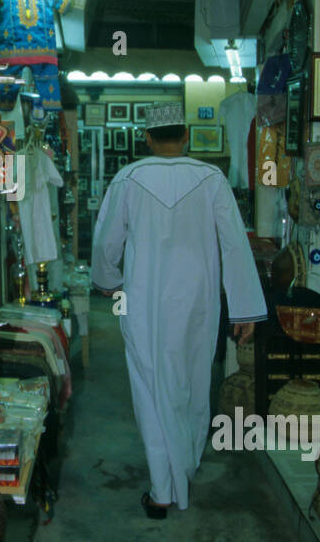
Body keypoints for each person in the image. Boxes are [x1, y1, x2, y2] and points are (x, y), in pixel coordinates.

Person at [91, 102, 266, 518]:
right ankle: (182, 469)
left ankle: (162, 490)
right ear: (186, 136)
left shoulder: (128, 178)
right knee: (189, 381)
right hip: (197, 303)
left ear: (148, 139)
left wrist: (108, 281)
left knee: (151, 388)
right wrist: (243, 310)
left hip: (143, 302)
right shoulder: (211, 179)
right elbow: (234, 245)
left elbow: (104, 244)